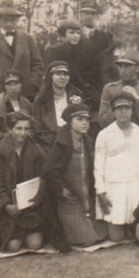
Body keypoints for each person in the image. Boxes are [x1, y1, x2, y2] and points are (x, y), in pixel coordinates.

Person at [42, 103, 107, 247]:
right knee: (88, 239)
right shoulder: (62, 144)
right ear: (70, 122)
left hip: (84, 198)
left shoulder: (86, 141)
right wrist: (62, 190)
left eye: (87, 119)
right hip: (69, 201)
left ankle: (83, 222)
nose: (85, 122)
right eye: (79, 119)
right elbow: (49, 171)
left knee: (103, 233)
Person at [94, 92, 139, 242]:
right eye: (119, 108)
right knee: (116, 237)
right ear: (113, 112)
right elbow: (98, 167)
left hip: (135, 187)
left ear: (132, 111)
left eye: (127, 108)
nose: (123, 111)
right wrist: (101, 192)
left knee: (133, 235)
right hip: (114, 188)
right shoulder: (104, 135)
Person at [0, 112, 47, 252]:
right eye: (18, 128)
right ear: (10, 129)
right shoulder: (0, 153)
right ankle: (15, 235)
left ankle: (33, 233)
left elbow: (44, 178)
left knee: (35, 245)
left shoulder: (37, 152)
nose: (23, 133)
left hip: (31, 208)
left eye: (26, 129)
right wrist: (6, 204)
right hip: (10, 209)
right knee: (13, 247)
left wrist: (37, 198)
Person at [0, 2, 44, 100]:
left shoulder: (28, 40)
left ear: (17, 20)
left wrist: (32, 85)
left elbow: (38, 65)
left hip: (25, 94)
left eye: (13, 20)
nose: (9, 23)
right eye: (5, 20)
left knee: (25, 115)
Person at [98, 47, 139, 130]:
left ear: (138, 68)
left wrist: (137, 99)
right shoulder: (109, 89)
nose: (122, 70)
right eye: (120, 66)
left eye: (127, 66)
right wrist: (117, 102)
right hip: (115, 135)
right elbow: (102, 122)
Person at [32, 61, 84, 149]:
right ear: (51, 76)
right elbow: (37, 126)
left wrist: (78, 107)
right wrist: (53, 141)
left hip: (73, 141)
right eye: (58, 74)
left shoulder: (75, 95)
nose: (62, 77)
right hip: (49, 144)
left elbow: (82, 122)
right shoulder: (41, 99)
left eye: (65, 74)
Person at [74, 3, 112, 106]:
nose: (89, 16)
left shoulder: (105, 37)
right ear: (80, 15)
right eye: (86, 13)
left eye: (92, 14)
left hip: (99, 84)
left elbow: (108, 61)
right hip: (78, 84)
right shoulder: (74, 36)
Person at [0, 70, 33, 145]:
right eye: (9, 84)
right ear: (4, 86)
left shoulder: (26, 103)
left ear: (21, 85)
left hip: (24, 143)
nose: (13, 88)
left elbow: (32, 128)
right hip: (1, 144)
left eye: (16, 84)